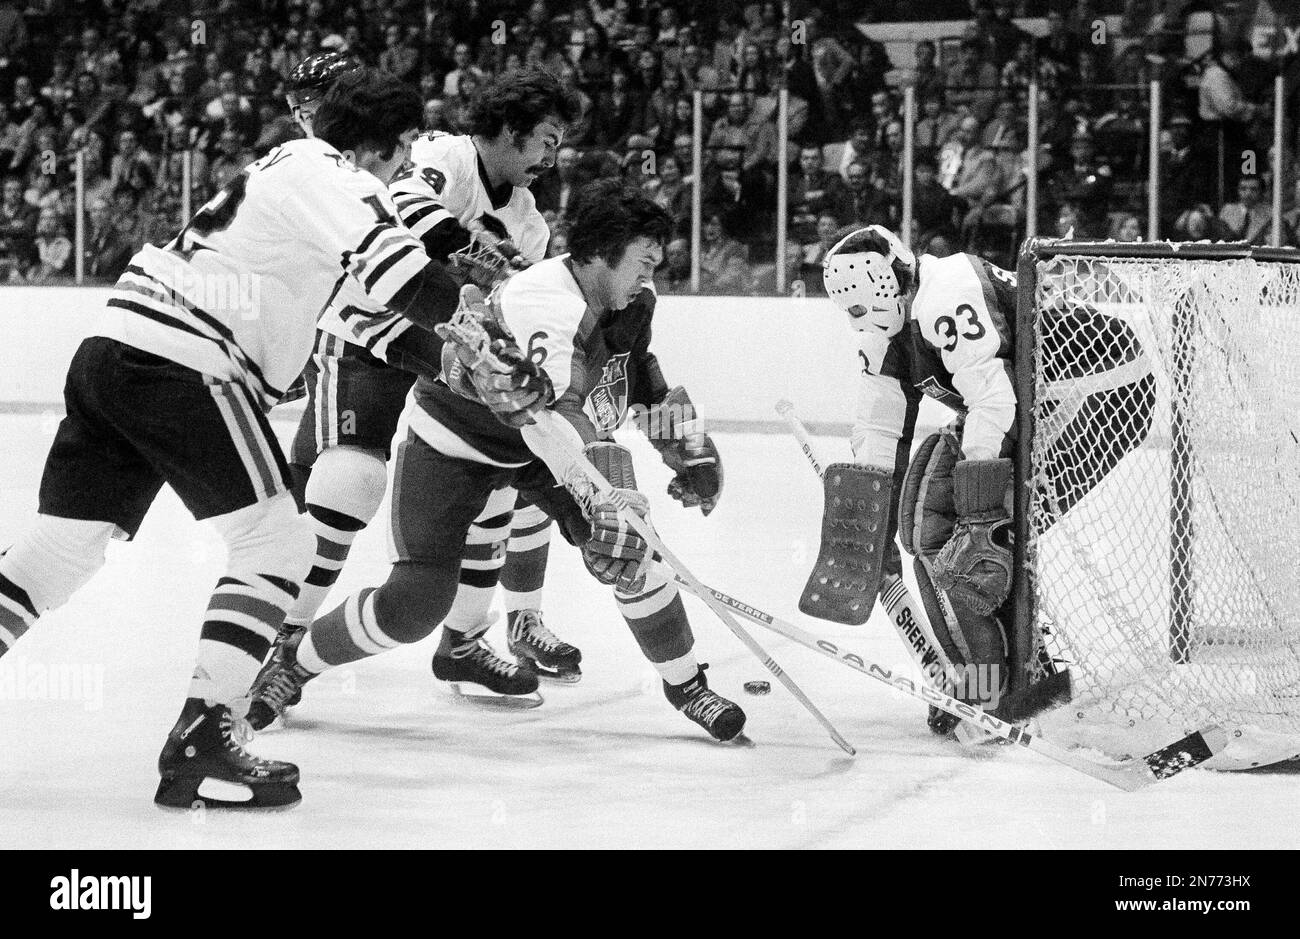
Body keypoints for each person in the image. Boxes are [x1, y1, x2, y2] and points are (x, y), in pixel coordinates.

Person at [0, 68, 475, 809]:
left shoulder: (291, 185)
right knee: (278, 545)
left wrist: (457, 361)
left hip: (117, 349)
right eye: (406, 145)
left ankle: (203, 734)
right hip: (187, 364)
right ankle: (203, 736)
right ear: (388, 142)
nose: (408, 161)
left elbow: (369, 320)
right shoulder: (333, 174)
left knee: (54, 556)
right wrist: (488, 335)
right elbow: (401, 275)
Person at [249, 183, 743, 742]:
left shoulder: (629, 301)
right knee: (415, 603)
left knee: (627, 555)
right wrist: (609, 489)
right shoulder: (547, 304)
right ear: (599, 254)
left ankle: (686, 684)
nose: (649, 278)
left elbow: (634, 372)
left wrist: (683, 444)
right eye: (643, 263)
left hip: (537, 448)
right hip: (456, 443)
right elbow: (555, 414)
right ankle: (294, 665)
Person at [284, 67, 586, 697]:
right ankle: (282, 642)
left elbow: (512, 301)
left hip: (439, 346)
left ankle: (462, 642)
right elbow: (403, 207)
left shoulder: (529, 220)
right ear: (505, 130)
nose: (551, 159)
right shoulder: (441, 152)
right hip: (365, 335)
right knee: (349, 481)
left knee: (492, 469)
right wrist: (475, 249)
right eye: (545, 140)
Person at [799, 225, 1153, 732]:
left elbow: (993, 400)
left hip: (1099, 393)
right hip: (1031, 403)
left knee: (975, 548)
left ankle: (1007, 685)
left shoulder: (946, 291)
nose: (867, 317)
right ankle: (995, 679)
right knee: (924, 523)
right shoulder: (886, 333)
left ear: (897, 277)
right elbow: (880, 423)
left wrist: (981, 514)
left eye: (873, 300)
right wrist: (867, 509)